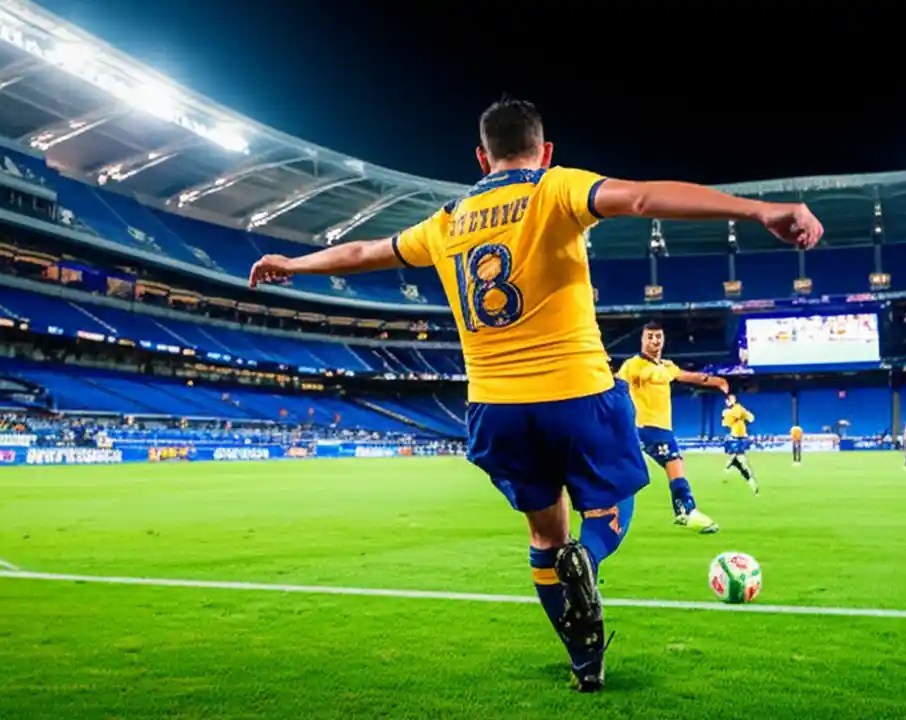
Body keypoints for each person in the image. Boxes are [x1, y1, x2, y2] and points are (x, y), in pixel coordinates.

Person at [248, 98, 822, 692]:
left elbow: (365, 253)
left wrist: (293, 264)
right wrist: (760, 211)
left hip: (495, 409)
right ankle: (590, 560)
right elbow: (645, 199)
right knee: (610, 508)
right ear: (545, 151)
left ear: (481, 156)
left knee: (544, 538)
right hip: (578, 392)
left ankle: (584, 661)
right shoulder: (555, 188)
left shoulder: (444, 221)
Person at [617, 322, 728, 533]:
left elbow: (685, 375)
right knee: (674, 463)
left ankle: (683, 511)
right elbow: (652, 377)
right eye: (650, 337)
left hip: (659, 428)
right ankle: (687, 511)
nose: (654, 341)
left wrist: (715, 381)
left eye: (658, 336)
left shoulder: (666, 365)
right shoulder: (635, 365)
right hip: (647, 427)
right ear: (642, 340)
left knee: (657, 467)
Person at [721, 395, 759, 494]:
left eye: (730, 400)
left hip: (740, 439)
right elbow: (725, 423)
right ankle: (751, 483)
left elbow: (751, 418)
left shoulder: (737, 409)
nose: (728, 402)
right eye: (728, 400)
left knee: (741, 461)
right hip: (735, 439)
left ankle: (731, 465)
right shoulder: (729, 411)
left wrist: (745, 414)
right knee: (742, 461)